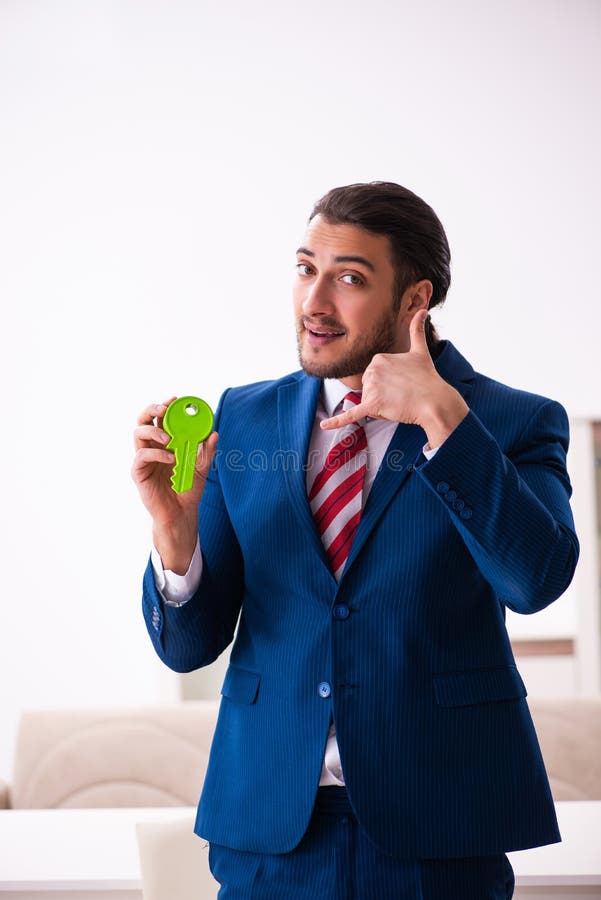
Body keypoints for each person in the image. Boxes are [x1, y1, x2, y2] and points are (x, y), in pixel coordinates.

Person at [132, 181, 579, 899]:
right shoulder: (242, 418)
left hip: (439, 828)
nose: (314, 302)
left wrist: (446, 423)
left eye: (348, 278)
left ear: (413, 301)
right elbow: (188, 646)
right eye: (305, 268)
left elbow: (533, 582)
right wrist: (174, 536)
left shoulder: (513, 422)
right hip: (269, 829)